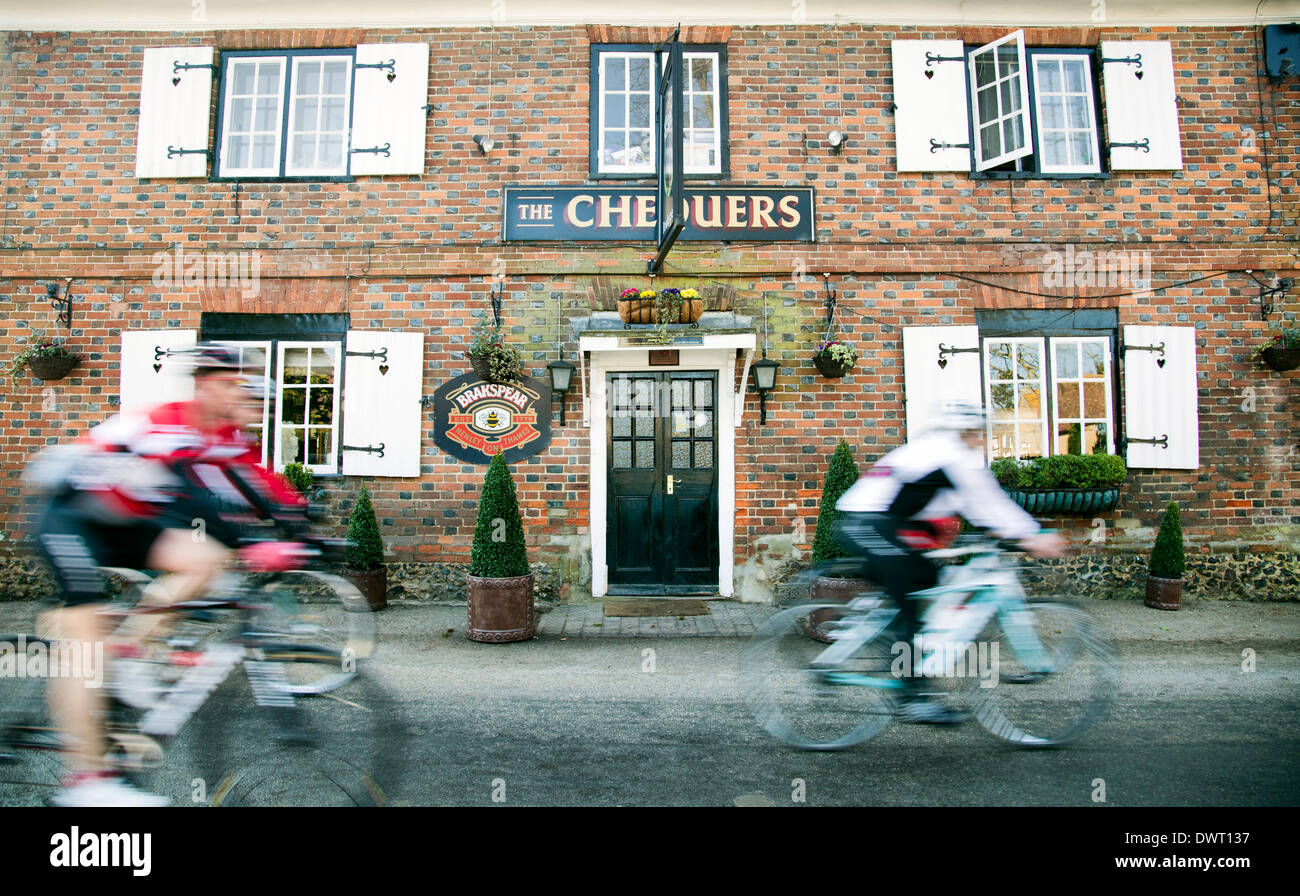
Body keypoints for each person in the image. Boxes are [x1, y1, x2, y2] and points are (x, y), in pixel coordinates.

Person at [29, 345, 306, 806]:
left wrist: (302, 532)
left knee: (206, 558)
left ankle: (135, 649)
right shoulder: (167, 424)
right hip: (72, 513)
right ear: (207, 385)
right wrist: (256, 545)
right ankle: (87, 783)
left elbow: (260, 487)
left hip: (127, 520)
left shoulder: (228, 437)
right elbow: (191, 501)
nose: (248, 394)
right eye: (236, 385)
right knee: (86, 640)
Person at [834, 400, 1067, 724]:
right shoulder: (951, 454)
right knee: (910, 598)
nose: (983, 440)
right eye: (980, 433)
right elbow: (987, 503)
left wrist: (1004, 533)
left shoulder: (946, 454)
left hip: (880, 522)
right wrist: (1032, 536)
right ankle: (912, 697)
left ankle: (896, 642)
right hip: (868, 522)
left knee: (927, 578)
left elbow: (971, 506)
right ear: (967, 432)